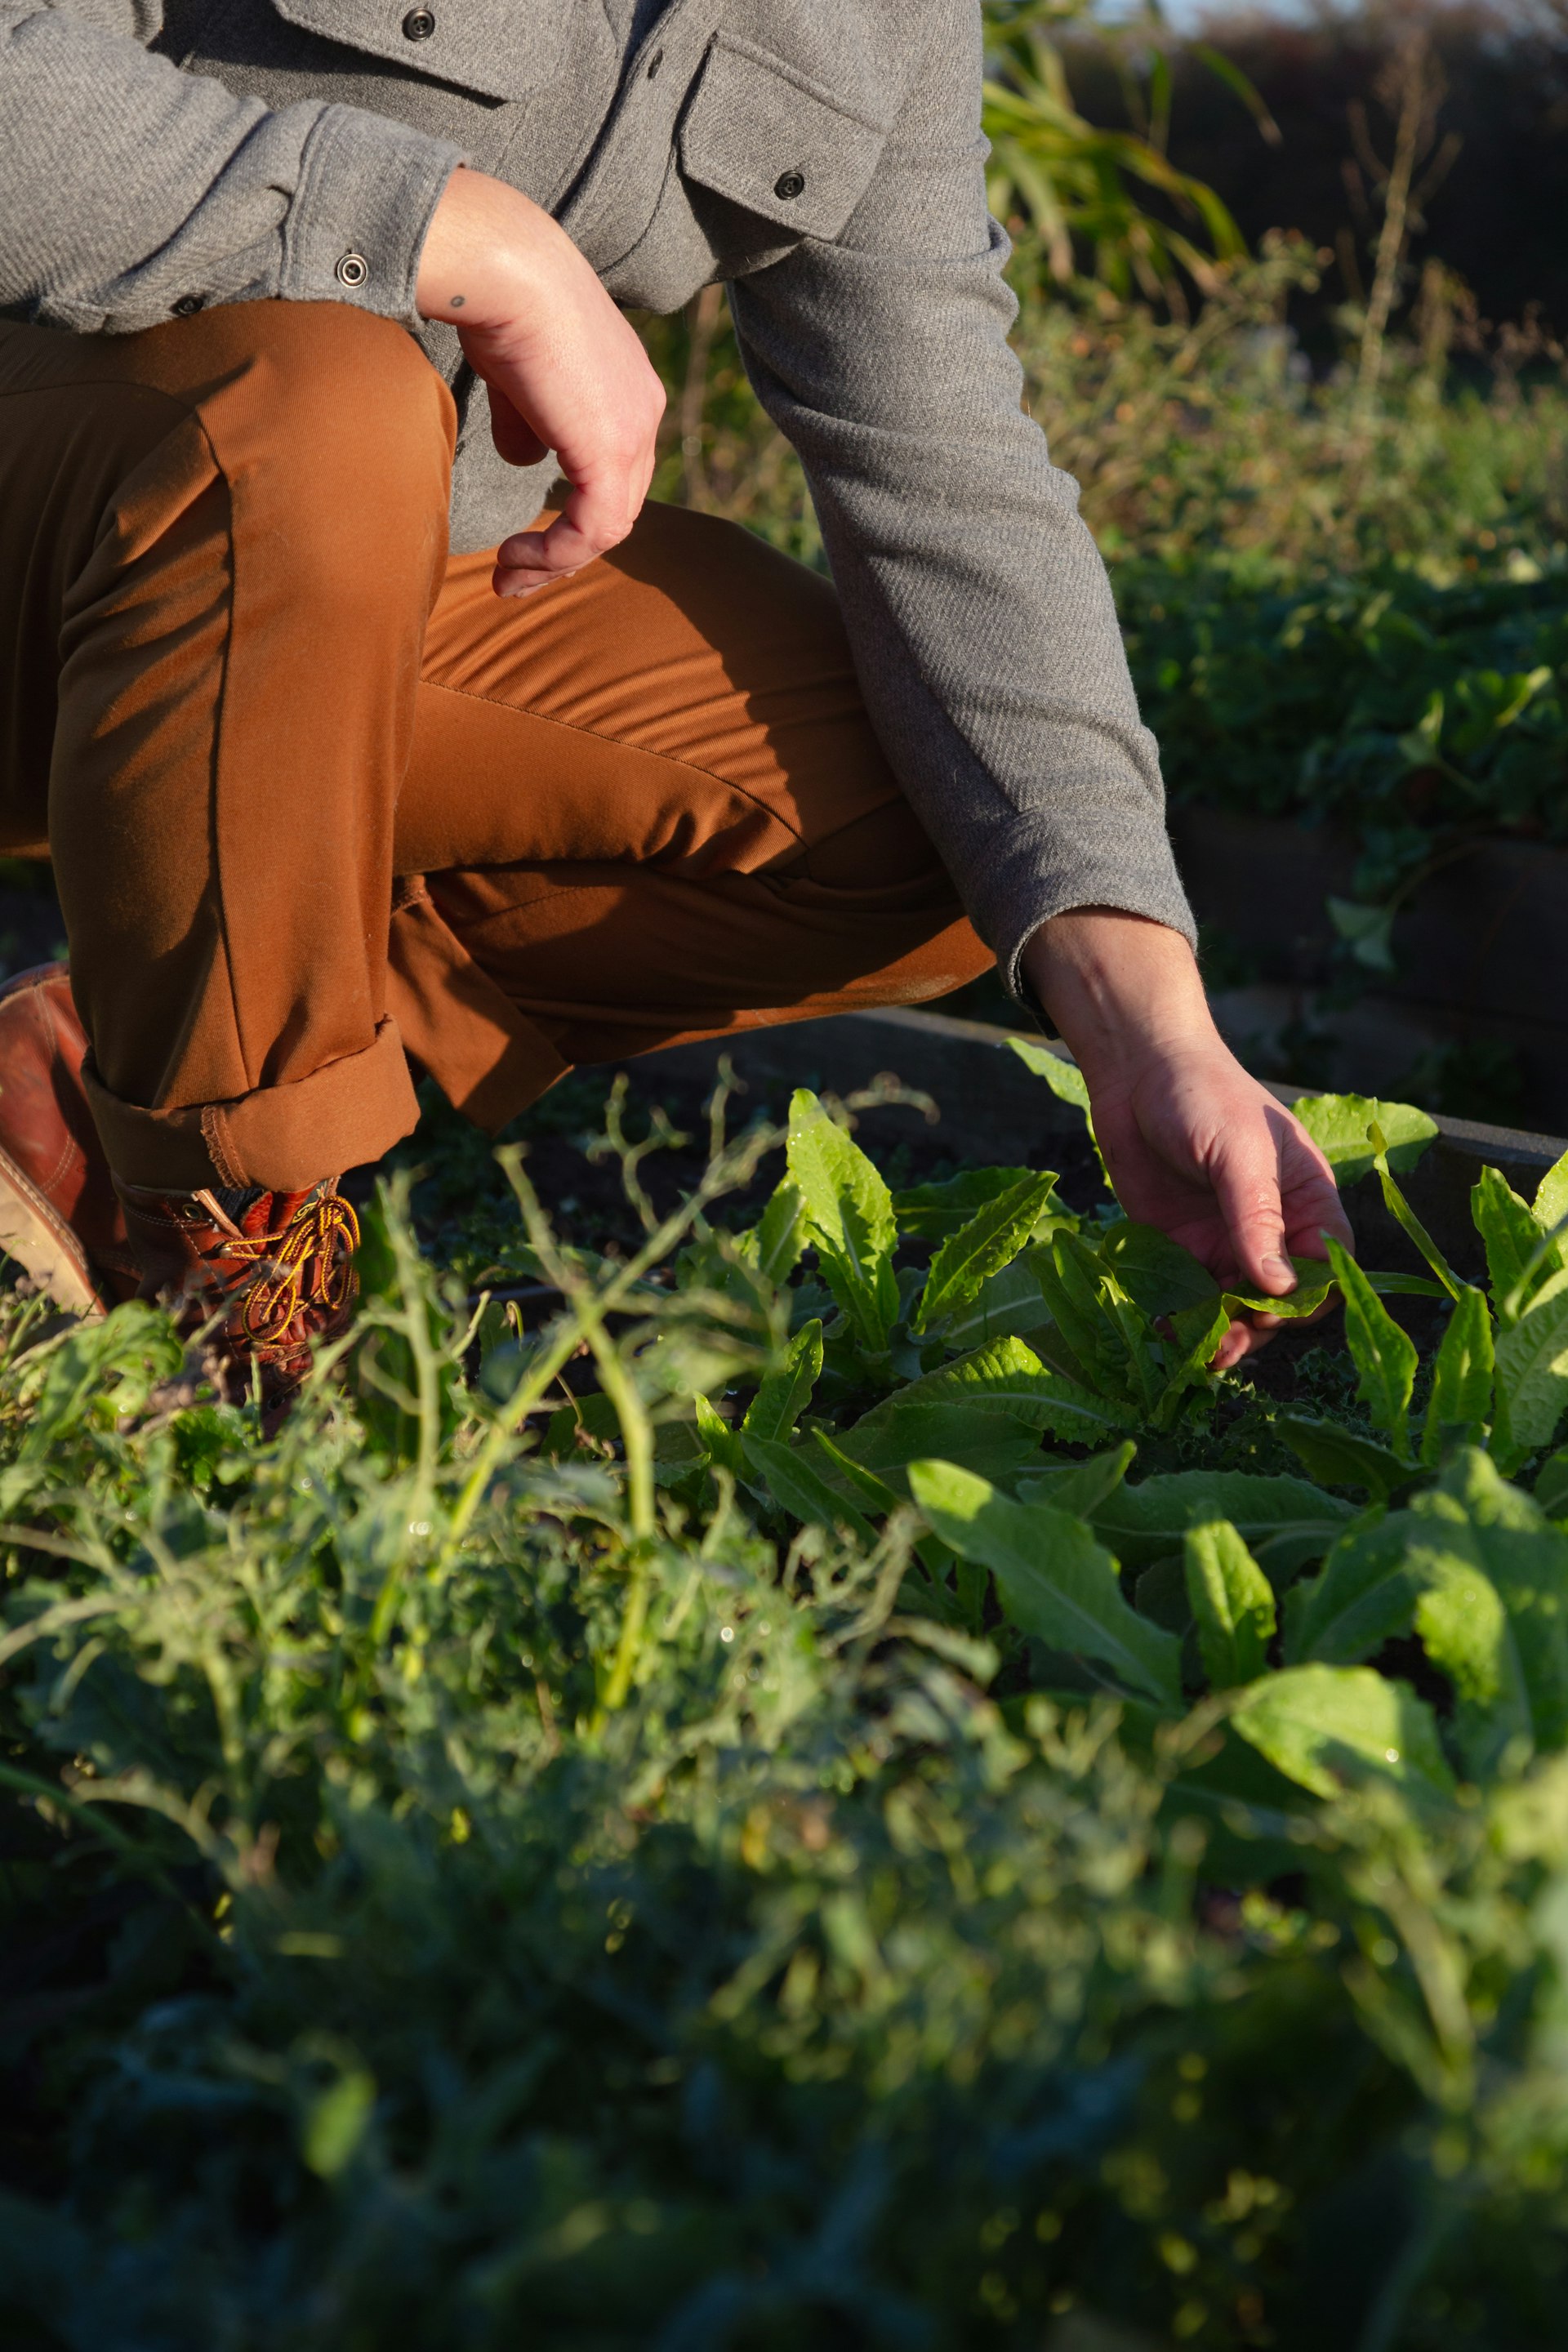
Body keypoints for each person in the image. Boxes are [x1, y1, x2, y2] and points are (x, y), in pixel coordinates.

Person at [0, 0, 1347, 1410]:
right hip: (81, 526)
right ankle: (228, 1307)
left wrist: (1147, 1026)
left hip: (340, 606)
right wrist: (445, 228)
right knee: (322, 396)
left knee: (957, 821)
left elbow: (946, 458)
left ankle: (94, 1079)